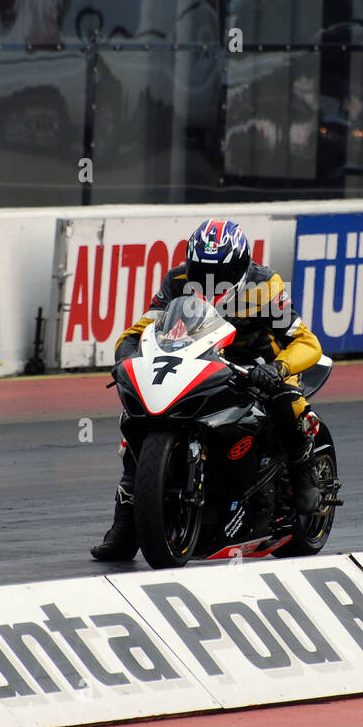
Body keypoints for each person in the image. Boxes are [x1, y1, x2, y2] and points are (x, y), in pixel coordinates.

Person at [91, 218, 324, 561]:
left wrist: (277, 368)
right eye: (201, 269)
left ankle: (305, 476)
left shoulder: (265, 284)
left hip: (258, 366)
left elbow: (306, 341)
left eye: (221, 270)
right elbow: (139, 331)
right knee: (138, 418)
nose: (210, 277)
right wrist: (125, 357)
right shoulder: (177, 281)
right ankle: (126, 527)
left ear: (241, 265)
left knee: (285, 401)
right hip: (199, 363)